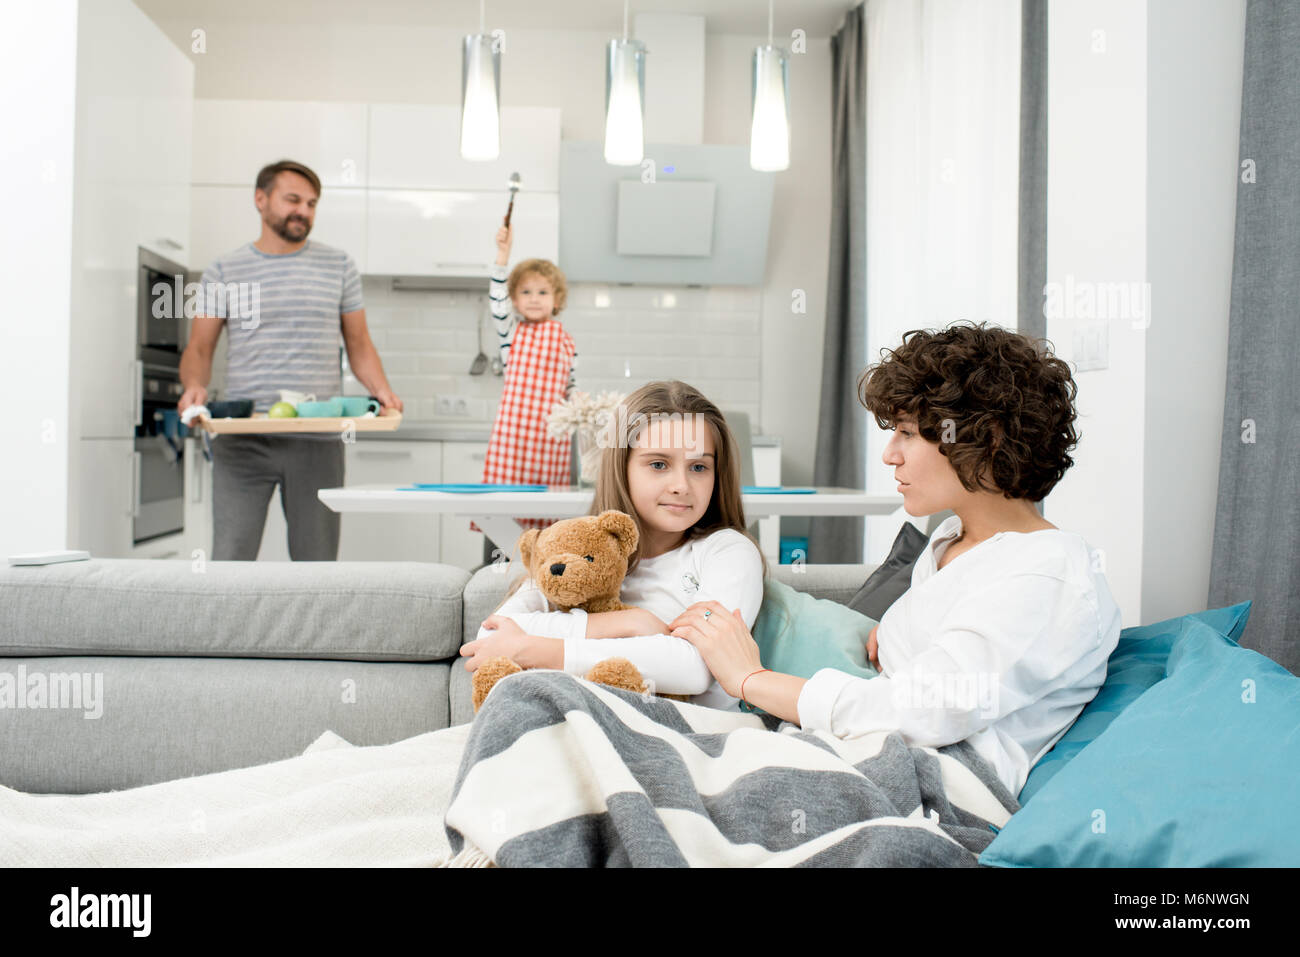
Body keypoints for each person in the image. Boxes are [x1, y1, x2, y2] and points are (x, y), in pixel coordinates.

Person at [670, 321, 1122, 801]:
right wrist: (899, 628)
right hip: (860, 748)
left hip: (931, 782)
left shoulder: (1046, 574)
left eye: (907, 433)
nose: (889, 455)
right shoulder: (953, 540)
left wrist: (751, 679)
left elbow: (921, 711)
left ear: (985, 438)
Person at [460, 380, 767, 709]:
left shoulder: (728, 552)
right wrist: (630, 623)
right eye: (659, 464)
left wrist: (538, 649)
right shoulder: (583, 548)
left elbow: (695, 667)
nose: (681, 485)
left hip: (692, 735)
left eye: (698, 467)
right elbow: (490, 638)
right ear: (623, 469)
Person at [177, 159, 402, 561]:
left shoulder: (339, 265)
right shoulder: (225, 269)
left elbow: (360, 343)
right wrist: (194, 387)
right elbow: (199, 348)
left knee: (315, 565)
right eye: (293, 199)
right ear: (260, 200)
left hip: (317, 438)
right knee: (231, 559)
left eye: (312, 203)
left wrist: (382, 392)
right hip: (242, 439)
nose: (304, 211)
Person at [476, 225, 578, 564]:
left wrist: (580, 405)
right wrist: (502, 257)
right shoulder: (510, 334)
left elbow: (570, 387)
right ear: (515, 300)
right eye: (526, 292)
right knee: (503, 512)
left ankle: (543, 576)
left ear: (557, 300)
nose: (534, 298)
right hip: (512, 442)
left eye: (543, 292)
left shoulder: (565, 339)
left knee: (546, 521)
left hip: (550, 443)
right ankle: (494, 574)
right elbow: (496, 302)